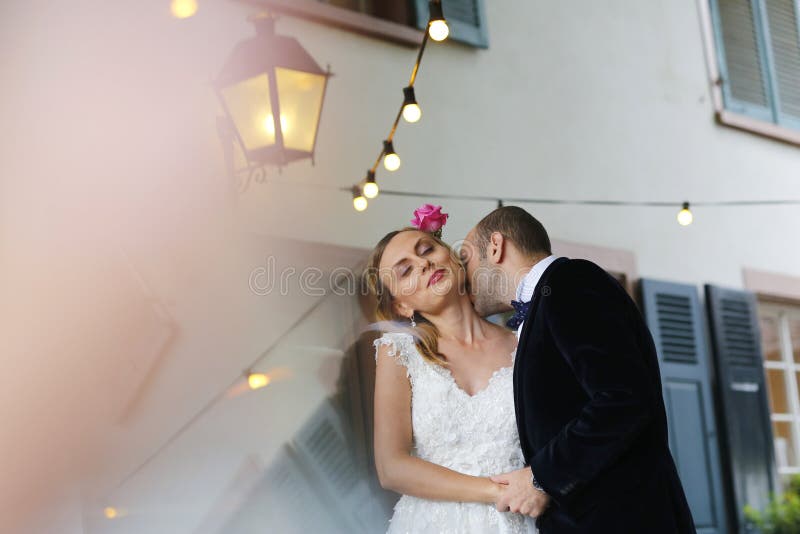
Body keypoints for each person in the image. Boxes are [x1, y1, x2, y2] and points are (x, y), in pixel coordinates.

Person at [461, 205, 696, 533]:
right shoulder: (547, 300)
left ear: (496, 246)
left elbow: (622, 399)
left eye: (466, 259)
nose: (462, 274)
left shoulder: (571, 282)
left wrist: (540, 478)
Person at [366, 220, 537, 533]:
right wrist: (497, 491)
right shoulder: (399, 353)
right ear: (401, 305)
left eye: (426, 249)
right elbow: (391, 468)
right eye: (405, 270)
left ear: (451, 255)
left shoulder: (524, 344)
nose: (423, 263)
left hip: (520, 522)